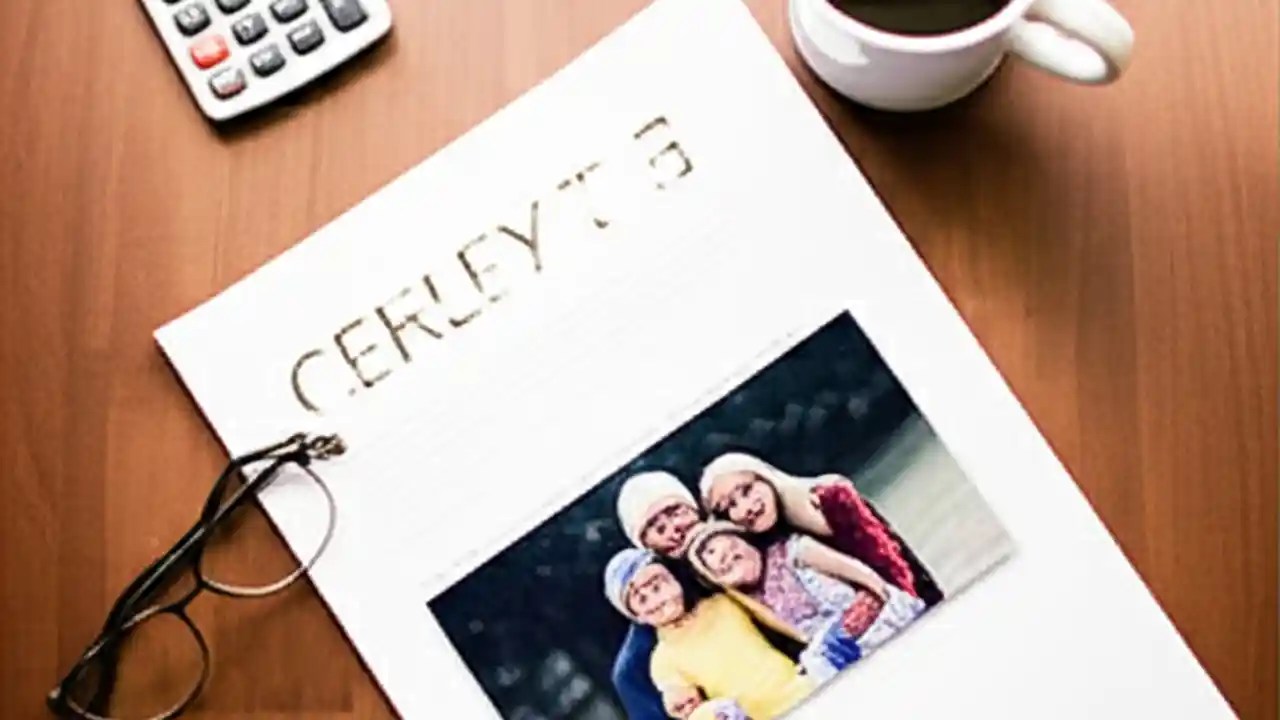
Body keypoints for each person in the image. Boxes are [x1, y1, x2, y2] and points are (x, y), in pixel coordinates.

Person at [685, 522, 925, 682]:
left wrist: (880, 599)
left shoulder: (794, 551)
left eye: (736, 552)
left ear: (747, 541)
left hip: (884, 620)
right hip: (848, 656)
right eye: (725, 568)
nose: (734, 562)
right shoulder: (759, 606)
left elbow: (867, 578)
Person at [699, 453, 943, 607]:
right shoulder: (763, 553)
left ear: (765, 478)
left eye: (746, 490)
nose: (745, 508)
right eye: (729, 506)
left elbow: (893, 562)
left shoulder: (829, 497)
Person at [604, 548, 814, 720]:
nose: (658, 600)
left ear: (673, 580)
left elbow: (773, 620)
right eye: (642, 599)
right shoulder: (663, 659)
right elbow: (689, 709)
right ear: (637, 617)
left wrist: (809, 642)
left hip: (801, 686)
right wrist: (709, 711)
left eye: (658, 587)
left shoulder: (721, 602)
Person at [611, 471, 707, 720]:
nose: (673, 529)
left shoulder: (747, 555)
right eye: (655, 526)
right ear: (645, 546)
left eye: (676, 511)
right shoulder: (637, 664)